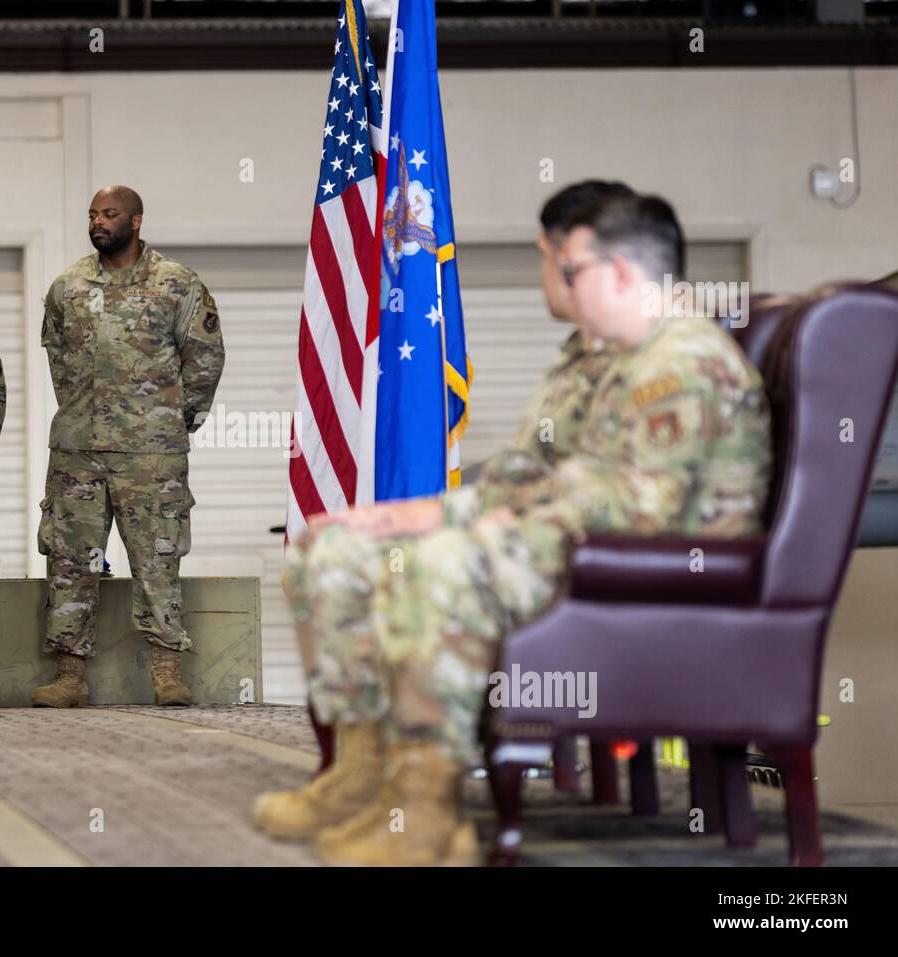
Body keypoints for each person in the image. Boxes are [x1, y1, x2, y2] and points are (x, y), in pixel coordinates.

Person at [256, 193, 773, 866]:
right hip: (586, 548)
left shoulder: (681, 360)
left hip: (653, 576)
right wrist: (422, 512)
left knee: (442, 564)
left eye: (564, 263)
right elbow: (532, 477)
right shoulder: (599, 356)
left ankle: (427, 815)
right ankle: (361, 773)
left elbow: (642, 509)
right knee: (333, 549)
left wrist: (483, 525)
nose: (553, 277)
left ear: (618, 272)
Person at [34, 185, 224, 707]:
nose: (98, 222)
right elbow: (59, 360)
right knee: (71, 560)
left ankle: (167, 672)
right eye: (93, 213)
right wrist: (81, 412)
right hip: (78, 450)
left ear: (136, 221)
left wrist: (170, 423)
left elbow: (205, 360)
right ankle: (70, 676)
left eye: (110, 214)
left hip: (151, 454)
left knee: (156, 558)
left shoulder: (176, 284)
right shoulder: (67, 287)